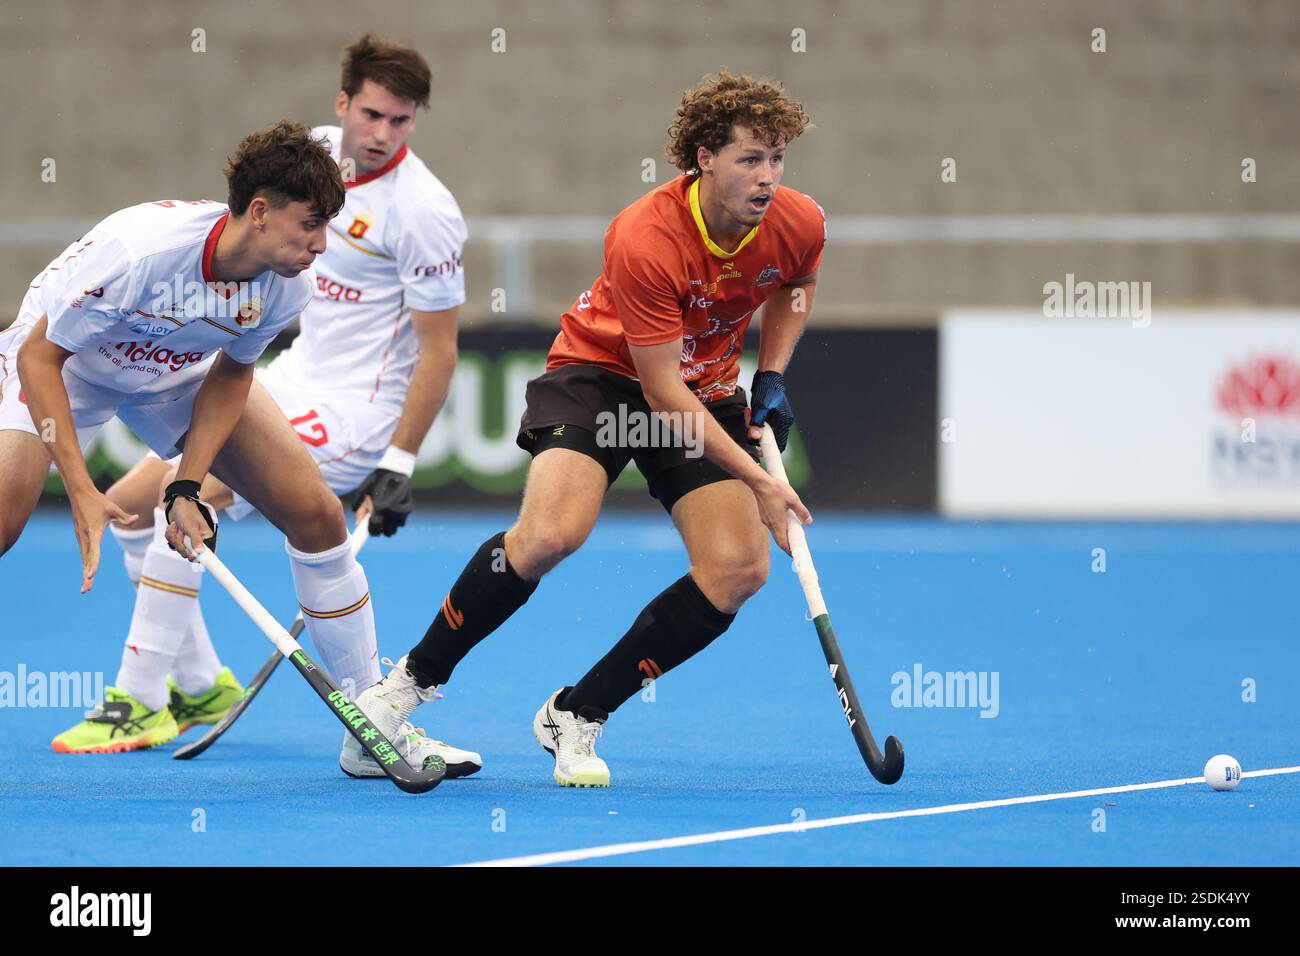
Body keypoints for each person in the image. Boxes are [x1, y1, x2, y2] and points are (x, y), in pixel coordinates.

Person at [356, 70, 825, 787]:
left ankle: (579, 712)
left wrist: (773, 374)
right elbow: (661, 393)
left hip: (704, 383)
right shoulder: (647, 237)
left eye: (777, 158)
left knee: (737, 570)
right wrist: (759, 479)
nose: (768, 177)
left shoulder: (797, 220)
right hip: (602, 377)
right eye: (750, 159)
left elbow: (795, 284)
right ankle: (404, 688)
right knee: (549, 536)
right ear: (704, 157)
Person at [48, 35, 479, 779]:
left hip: (351, 414)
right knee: (129, 509)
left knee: (202, 491)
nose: (382, 134)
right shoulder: (308, 158)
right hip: (284, 378)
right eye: (372, 114)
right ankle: (199, 682)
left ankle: (138, 697)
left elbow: (438, 349)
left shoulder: (426, 212)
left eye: (401, 122)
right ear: (343, 103)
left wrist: (398, 460)